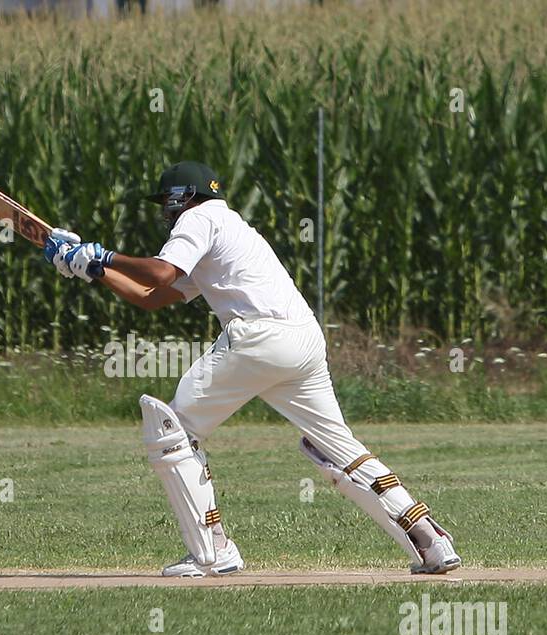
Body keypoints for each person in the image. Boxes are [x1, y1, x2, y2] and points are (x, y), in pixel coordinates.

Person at [44, 161, 460, 577]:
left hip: (258, 338)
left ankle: (213, 551)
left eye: (167, 204)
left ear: (181, 197)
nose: (166, 214)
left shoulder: (198, 217)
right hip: (303, 340)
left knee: (173, 432)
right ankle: (431, 541)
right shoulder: (229, 226)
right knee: (337, 449)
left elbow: (161, 271)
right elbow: (152, 296)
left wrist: (105, 254)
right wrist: (94, 270)